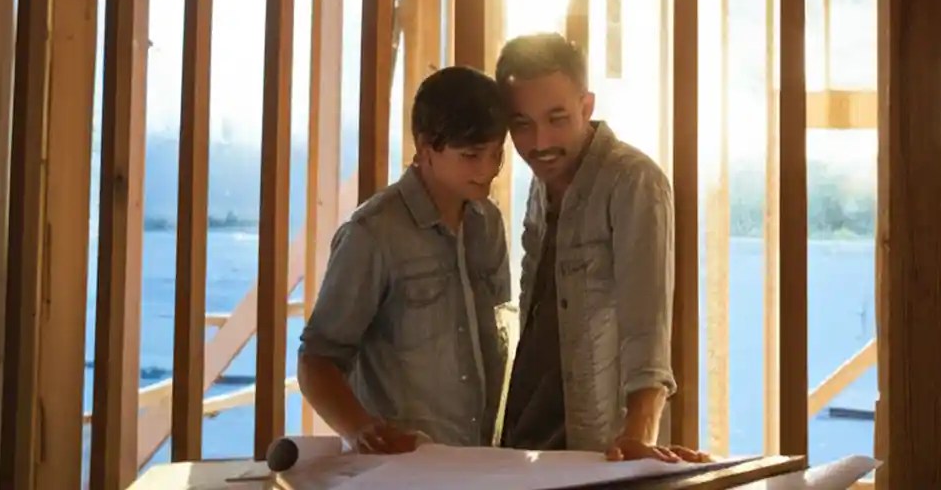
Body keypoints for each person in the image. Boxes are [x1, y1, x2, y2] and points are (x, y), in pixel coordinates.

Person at [495, 32, 706, 463]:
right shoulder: (541, 183)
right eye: (522, 125)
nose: (540, 142)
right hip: (525, 442)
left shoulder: (632, 180)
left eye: (557, 118)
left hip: (598, 448)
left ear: (586, 107)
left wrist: (639, 436)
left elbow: (647, 329)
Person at [297, 66, 511, 454]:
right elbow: (317, 361)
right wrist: (363, 432)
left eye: (497, 154)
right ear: (426, 148)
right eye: (471, 155)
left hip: (482, 462)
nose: (488, 169)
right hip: (401, 467)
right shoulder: (373, 234)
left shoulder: (488, 222)